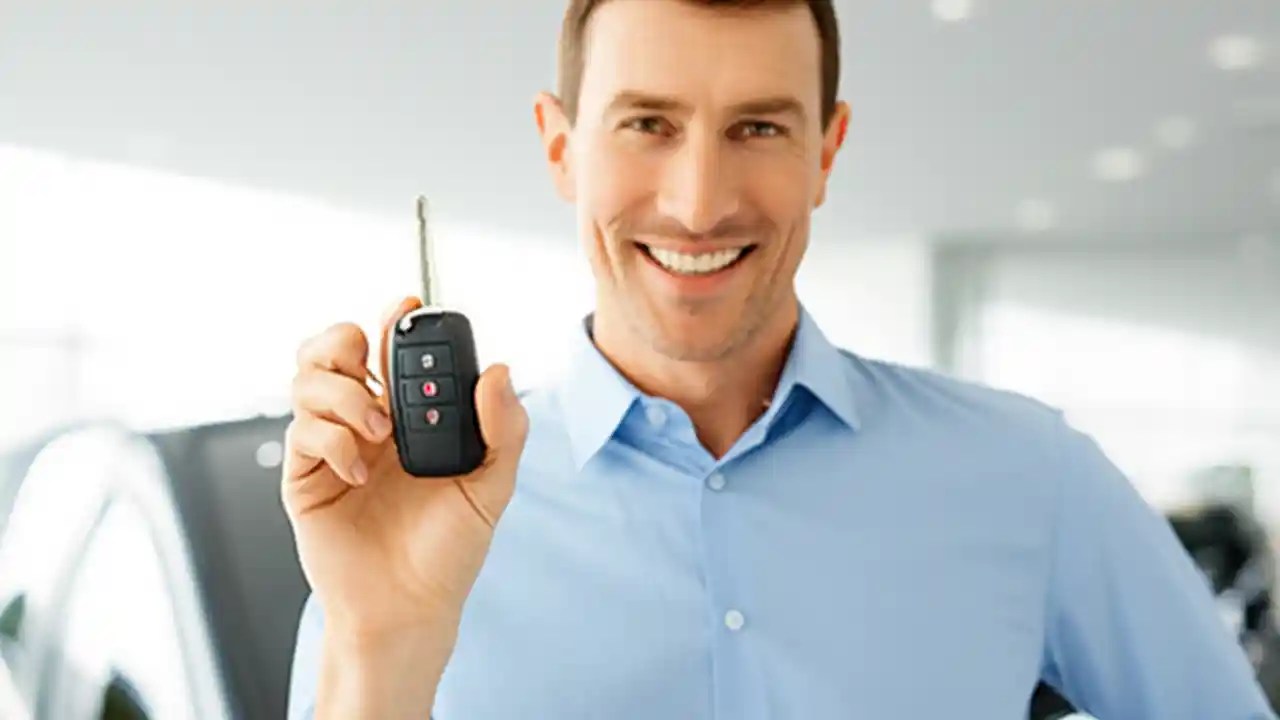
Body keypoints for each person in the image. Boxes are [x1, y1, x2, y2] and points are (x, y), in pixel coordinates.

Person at [281, 1, 1274, 718]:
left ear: (825, 153)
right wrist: (380, 645)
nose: (699, 200)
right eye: (646, 124)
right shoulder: (409, 521)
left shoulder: (1032, 476)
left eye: (756, 127)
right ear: (560, 147)